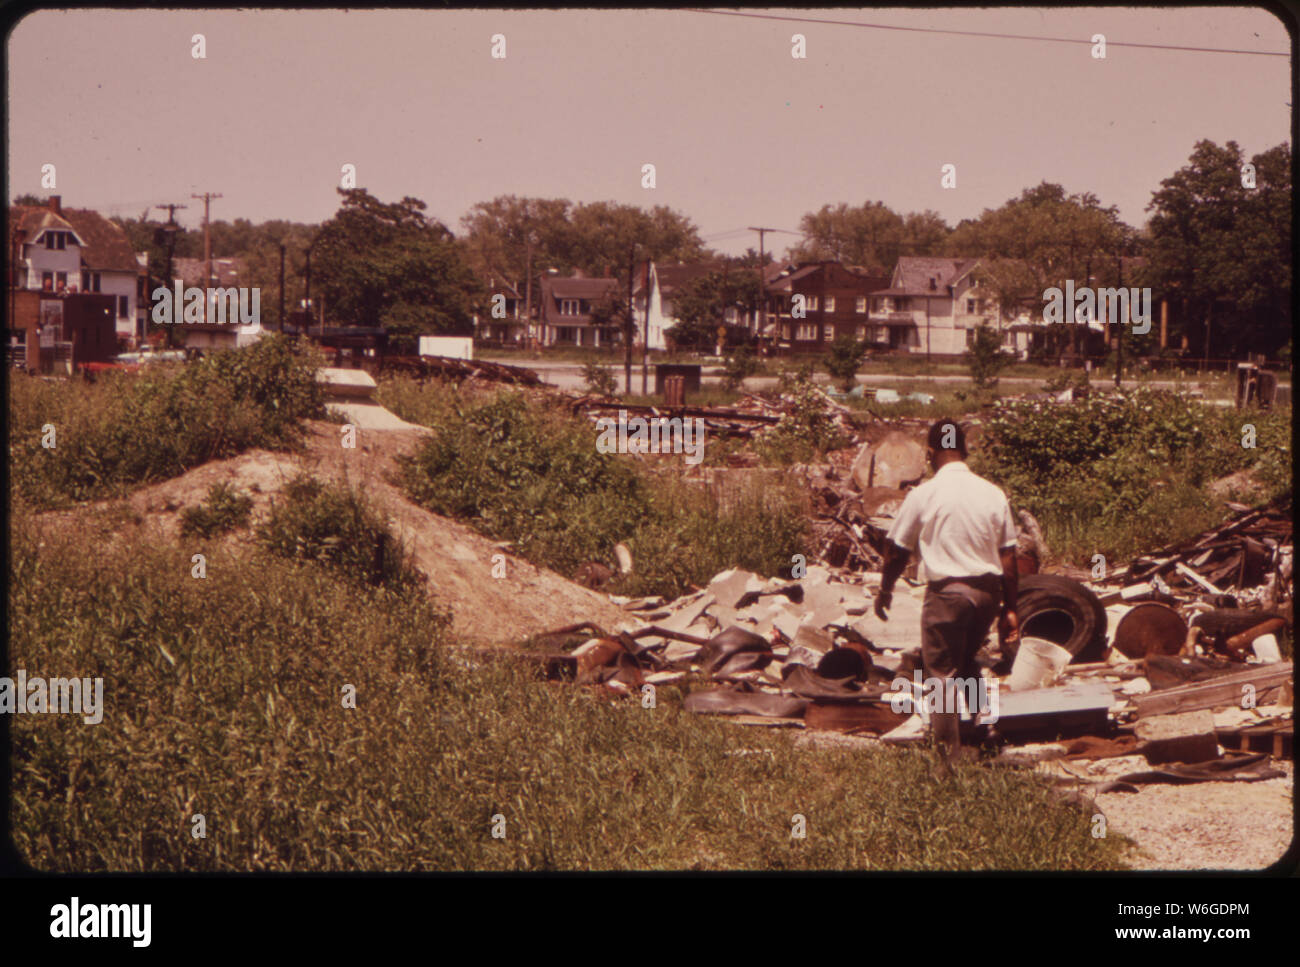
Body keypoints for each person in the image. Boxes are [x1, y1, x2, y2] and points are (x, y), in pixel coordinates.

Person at [873, 418, 1020, 779]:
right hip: (987, 593)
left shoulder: (923, 494)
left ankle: (947, 763)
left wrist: (886, 589)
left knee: (940, 676)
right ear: (965, 450)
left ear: (930, 453)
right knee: (968, 660)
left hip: (948, 594)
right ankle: (985, 731)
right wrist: (1011, 608)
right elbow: (1009, 557)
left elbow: (895, 550)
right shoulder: (992, 492)